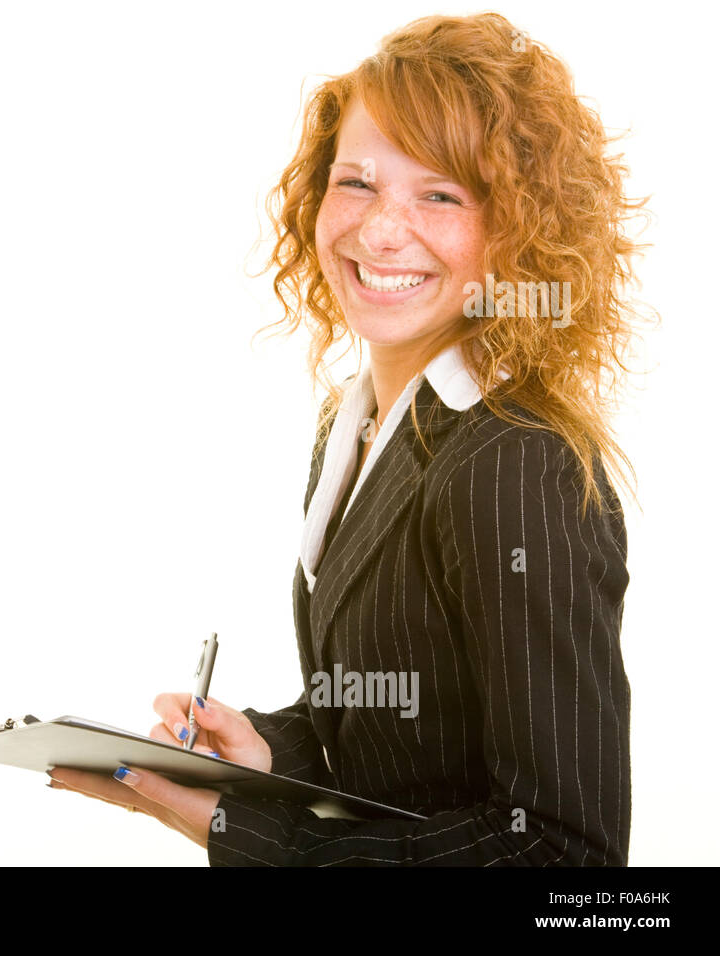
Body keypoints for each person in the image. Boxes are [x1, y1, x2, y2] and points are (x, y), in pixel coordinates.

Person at [47, 12, 650, 865]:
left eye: (439, 194)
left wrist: (245, 832)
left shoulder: (517, 465)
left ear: (516, 230)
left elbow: (562, 852)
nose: (378, 230)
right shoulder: (357, 420)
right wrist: (267, 752)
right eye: (357, 184)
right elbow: (409, 732)